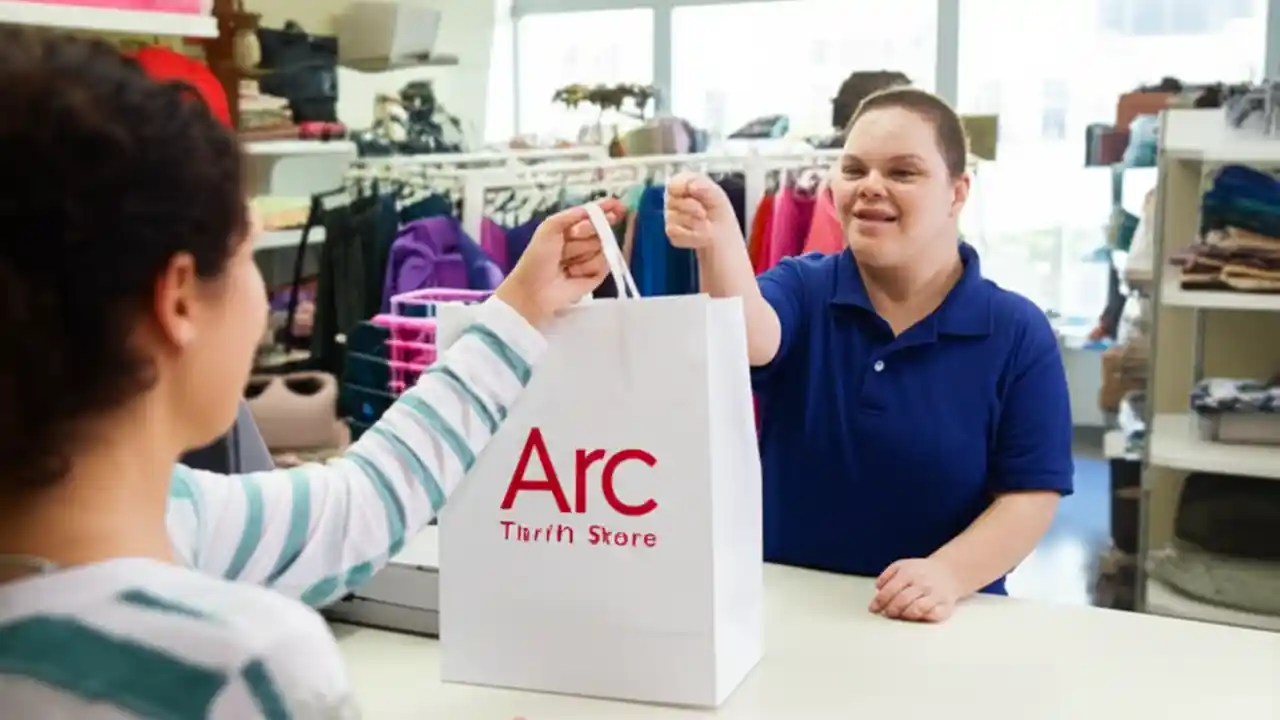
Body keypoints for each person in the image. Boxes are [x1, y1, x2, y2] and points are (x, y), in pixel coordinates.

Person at [0, 30, 621, 718]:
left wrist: (519, 308)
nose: (260, 303)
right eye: (245, 250)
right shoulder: (235, 668)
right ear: (177, 298)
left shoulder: (171, 512)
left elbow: (359, 503)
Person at [664, 87, 1073, 623]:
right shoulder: (804, 288)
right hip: (788, 611)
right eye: (854, 170)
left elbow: (1030, 495)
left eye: (902, 173)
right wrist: (718, 242)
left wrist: (947, 574)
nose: (870, 188)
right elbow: (746, 336)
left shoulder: (1016, 332)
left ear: (957, 192)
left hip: (945, 625)